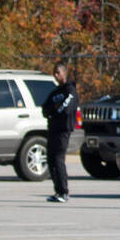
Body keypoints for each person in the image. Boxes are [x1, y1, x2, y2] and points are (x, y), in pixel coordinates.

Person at [41, 63, 78, 203]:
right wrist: (53, 109)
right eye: (54, 72)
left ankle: (64, 192)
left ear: (64, 73)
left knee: (58, 158)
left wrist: (55, 110)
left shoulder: (70, 90)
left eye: (58, 72)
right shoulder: (55, 92)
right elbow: (45, 109)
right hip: (53, 129)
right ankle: (57, 191)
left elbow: (66, 109)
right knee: (51, 159)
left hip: (63, 129)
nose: (56, 75)